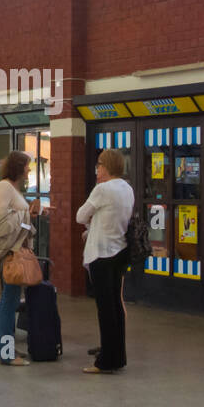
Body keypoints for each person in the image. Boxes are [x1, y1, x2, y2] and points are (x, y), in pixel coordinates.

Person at [75, 148, 134, 374]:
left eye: (99, 165)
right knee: (116, 307)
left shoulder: (103, 189)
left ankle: (106, 361)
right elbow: (111, 218)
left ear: (106, 166)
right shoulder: (127, 188)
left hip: (101, 254)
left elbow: (80, 215)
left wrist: (91, 221)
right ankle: (118, 355)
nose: (97, 169)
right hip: (120, 252)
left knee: (104, 309)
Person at [0, 150, 40, 367]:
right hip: (12, 252)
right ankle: (7, 353)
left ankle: (6, 348)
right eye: (27, 165)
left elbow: (17, 217)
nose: (29, 169)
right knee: (8, 303)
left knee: (10, 302)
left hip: (17, 250)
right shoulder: (4, 187)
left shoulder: (13, 189)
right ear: (18, 167)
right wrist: (27, 216)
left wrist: (32, 215)